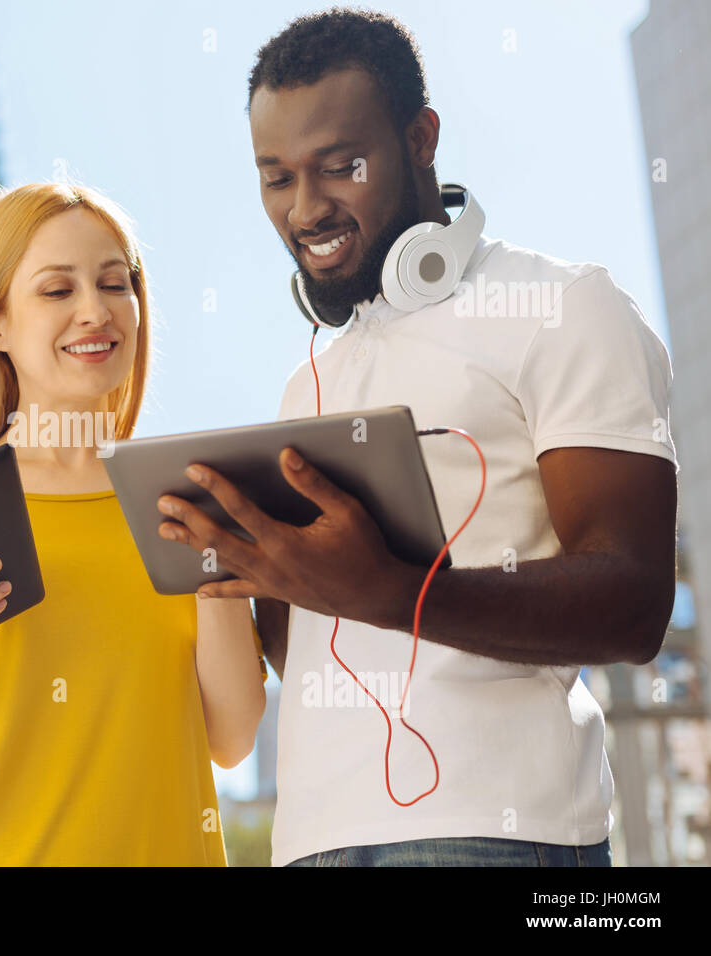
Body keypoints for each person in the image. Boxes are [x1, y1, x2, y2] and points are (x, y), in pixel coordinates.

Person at [156, 8, 678, 867]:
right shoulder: (306, 382)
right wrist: (253, 569)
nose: (305, 208)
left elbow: (632, 602)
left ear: (421, 138)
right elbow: (311, 644)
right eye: (276, 178)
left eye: (339, 167)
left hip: (498, 835)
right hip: (310, 844)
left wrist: (395, 590)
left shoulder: (565, 305)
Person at [0, 181, 267, 866]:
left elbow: (234, 735)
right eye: (56, 291)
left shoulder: (190, 498)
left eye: (114, 284)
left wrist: (212, 560)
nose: (95, 311)